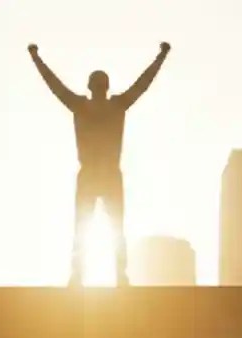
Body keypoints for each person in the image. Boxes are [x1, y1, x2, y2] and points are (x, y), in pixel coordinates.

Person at [28, 42, 171, 287]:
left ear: (92, 87)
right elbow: (142, 84)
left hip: (98, 173)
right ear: (104, 87)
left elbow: (54, 85)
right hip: (102, 173)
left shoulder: (87, 106)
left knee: (93, 225)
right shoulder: (108, 106)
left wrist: (36, 58)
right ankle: (105, 275)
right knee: (102, 226)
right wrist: (161, 57)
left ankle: (91, 275)